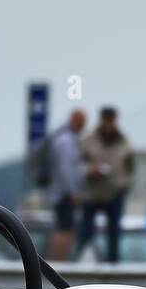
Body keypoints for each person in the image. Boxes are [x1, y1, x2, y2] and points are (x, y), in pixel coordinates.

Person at [77, 106, 135, 263]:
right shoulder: (87, 140)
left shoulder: (124, 141)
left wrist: (125, 184)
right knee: (86, 231)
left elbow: (130, 167)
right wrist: (90, 171)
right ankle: (80, 262)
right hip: (92, 193)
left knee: (114, 233)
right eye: (106, 120)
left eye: (111, 120)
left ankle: (113, 265)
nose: (109, 124)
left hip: (115, 192)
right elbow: (78, 165)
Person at [46, 109, 87, 262]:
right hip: (64, 193)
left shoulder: (63, 138)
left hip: (60, 191)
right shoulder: (66, 141)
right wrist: (73, 192)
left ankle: (59, 259)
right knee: (65, 229)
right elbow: (66, 168)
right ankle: (59, 260)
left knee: (63, 227)